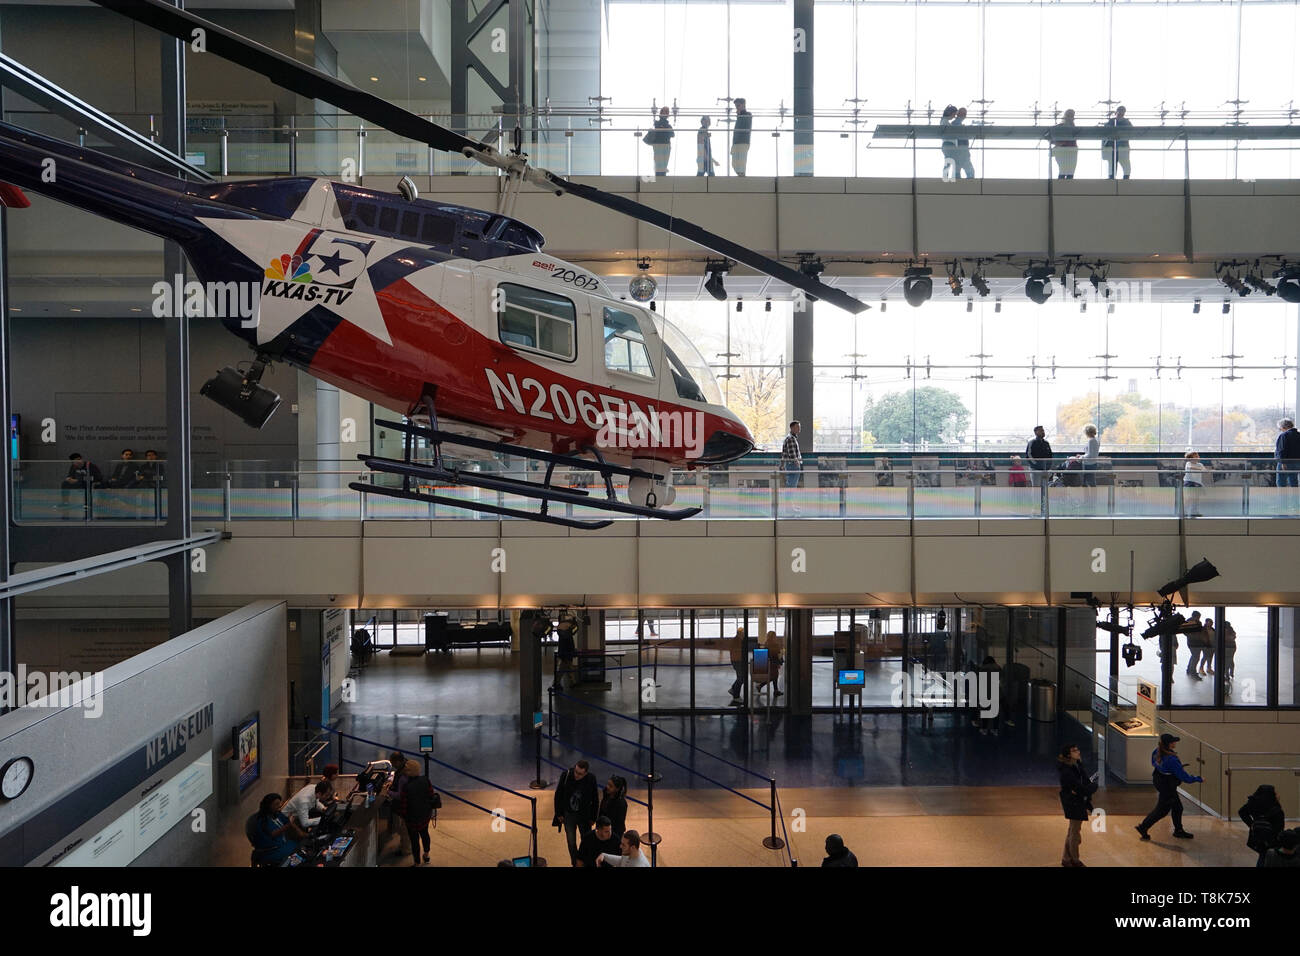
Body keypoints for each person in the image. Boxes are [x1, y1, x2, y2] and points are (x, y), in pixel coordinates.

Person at [1135, 733, 1203, 840]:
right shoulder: (1171, 759)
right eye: (1173, 741)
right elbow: (1185, 777)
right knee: (1161, 810)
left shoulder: (1157, 751)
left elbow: (1154, 763)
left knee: (1177, 807)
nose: (1175, 742)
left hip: (1159, 780)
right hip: (1167, 786)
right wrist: (1198, 779)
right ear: (1170, 744)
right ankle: (1143, 827)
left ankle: (1178, 830)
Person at [1057, 744, 1098, 867]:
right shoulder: (1067, 771)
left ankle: (1066, 858)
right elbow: (1081, 788)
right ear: (1069, 755)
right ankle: (1075, 859)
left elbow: (1085, 783)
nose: (1078, 752)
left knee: (1073, 830)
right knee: (1075, 832)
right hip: (1073, 802)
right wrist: (1090, 788)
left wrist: (1088, 788)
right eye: (1074, 751)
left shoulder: (1078, 765)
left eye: (1077, 749)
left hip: (1077, 800)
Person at [553, 759, 599, 866]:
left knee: (586, 841)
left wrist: (593, 817)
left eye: (580, 774)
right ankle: (575, 863)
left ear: (585, 773)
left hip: (584, 816)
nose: (576, 775)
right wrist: (559, 813)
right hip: (569, 815)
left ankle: (585, 862)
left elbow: (595, 799)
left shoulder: (591, 779)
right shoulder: (566, 775)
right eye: (576, 771)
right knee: (571, 842)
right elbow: (558, 795)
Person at [396, 764, 437, 866]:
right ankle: (426, 856)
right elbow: (431, 795)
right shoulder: (425, 780)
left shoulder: (406, 787)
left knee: (414, 841)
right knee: (425, 834)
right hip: (425, 815)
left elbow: (404, 805)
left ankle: (417, 862)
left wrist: (403, 816)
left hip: (412, 819)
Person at [248, 793, 304, 865]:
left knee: (301, 850)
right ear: (268, 806)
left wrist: (298, 830)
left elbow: (288, 821)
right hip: (271, 850)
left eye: (279, 803)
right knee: (296, 854)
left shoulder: (277, 814)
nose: (279, 806)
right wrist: (288, 825)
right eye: (276, 804)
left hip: (282, 845)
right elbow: (273, 834)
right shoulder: (262, 820)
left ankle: (296, 862)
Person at [1239, 783, 1286, 867]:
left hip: (1257, 836)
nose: (1277, 794)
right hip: (1272, 838)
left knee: (1262, 856)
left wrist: (1251, 824)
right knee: (1266, 857)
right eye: (1275, 793)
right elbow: (1279, 827)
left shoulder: (1253, 803)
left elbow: (1242, 812)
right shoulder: (1276, 809)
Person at [1102, 105, 1133, 179]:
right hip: (1113, 146)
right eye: (1120, 111)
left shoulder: (1126, 122)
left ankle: (1126, 176)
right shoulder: (1112, 121)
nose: (1120, 113)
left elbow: (1131, 131)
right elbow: (1105, 129)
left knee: (1125, 162)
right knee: (1112, 162)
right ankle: (1112, 176)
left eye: (1122, 111)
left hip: (1122, 145)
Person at [1050, 108, 1079, 179]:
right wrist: (1059, 143)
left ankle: (1066, 187)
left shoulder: (1074, 127)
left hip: (1071, 151)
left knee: (1070, 172)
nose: (1071, 117)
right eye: (1069, 115)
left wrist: (1059, 143)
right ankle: (1062, 186)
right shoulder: (1060, 126)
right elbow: (1050, 137)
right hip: (1064, 151)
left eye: (1072, 115)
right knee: (1063, 171)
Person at [645, 106, 674, 177]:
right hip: (659, 145)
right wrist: (665, 128)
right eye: (664, 112)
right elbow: (669, 133)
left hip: (666, 145)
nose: (665, 114)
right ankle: (659, 179)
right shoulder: (658, 123)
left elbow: (672, 134)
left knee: (664, 164)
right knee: (658, 165)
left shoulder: (667, 125)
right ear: (661, 113)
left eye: (666, 112)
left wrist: (664, 128)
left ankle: (662, 179)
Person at [598, 775, 629, 839]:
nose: (607, 787)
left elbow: (619, 824)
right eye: (608, 784)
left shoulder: (621, 803)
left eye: (611, 786)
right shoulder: (606, 796)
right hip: (603, 830)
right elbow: (601, 812)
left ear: (617, 789)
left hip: (613, 834)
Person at [1275, 418, 1300, 488]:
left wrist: (1282, 462)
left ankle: (1282, 498)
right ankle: (1295, 498)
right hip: (1297, 462)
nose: (1280, 430)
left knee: (1281, 482)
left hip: (1285, 462)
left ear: (1284, 427)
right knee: (1294, 481)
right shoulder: (1298, 435)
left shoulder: (1284, 435)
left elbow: (1281, 450)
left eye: (1280, 428)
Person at [731, 97, 752, 175]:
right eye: (736, 106)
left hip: (743, 142)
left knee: (741, 163)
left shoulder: (747, 114)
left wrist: (740, 114)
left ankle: (742, 178)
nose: (737, 108)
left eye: (738, 105)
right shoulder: (739, 116)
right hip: (736, 142)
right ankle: (740, 176)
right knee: (734, 163)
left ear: (743, 105)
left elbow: (746, 123)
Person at [726, 625, 747, 705]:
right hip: (737, 661)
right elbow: (733, 649)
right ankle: (736, 696)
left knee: (741, 677)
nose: (744, 634)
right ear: (739, 633)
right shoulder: (736, 640)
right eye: (743, 633)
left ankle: (733, 689)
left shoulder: (740, 640)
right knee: (741, 678)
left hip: (739, 660)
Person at [953, 106, 975, 179]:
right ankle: (968, 185)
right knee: (970, 172)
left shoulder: (956, 124)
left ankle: (958, 184)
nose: (965, 116)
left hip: (958, 150)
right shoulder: (956, 124)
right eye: (965, 114)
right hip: (962, 150)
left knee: (957, 170)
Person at [1182, 611, 1204, 679]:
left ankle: (1190, 669)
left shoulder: (1188, 621)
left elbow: (1184, 632)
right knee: (1196, 657)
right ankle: (1193, 672)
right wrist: (1194, 636)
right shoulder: (1194, 622)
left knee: (1194, 656)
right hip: (1194, 642)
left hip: (1193, 642)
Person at [938, 105, 958, 178]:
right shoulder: (945, 121)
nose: (954, 116)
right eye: (954, 114)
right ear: (950, 113)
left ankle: (946, 176)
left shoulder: (944, 121)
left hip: (947, 144)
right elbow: (948, 133)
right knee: (949, 161)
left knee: (949, 160)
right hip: (948, 144)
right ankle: (946, 176)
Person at [1183, 450, 1205, 516]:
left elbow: (1204, 470)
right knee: (1189, 498)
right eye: (1195, 456)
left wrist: (1204, 470)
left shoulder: (1200, 464)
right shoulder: (1188, 463)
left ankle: (1194, 512)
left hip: (1197, 483)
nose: (1197, 457)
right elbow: (1190, 467)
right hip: (1189, 482)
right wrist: (1200, 469)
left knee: (1196, 499)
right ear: (1190, 458)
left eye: (1197, 456)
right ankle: (1184, 512)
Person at [764, 629, 785, 698]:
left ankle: (776, 691)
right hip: (774, 662)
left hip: (769, 662)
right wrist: (780, 661)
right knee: (774, 676)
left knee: (774, 676)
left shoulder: (766, 643)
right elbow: (778, 654)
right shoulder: (775, 644)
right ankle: (760, 686)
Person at [781, 420, 802, 489]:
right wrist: (797, 463)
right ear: (792, 428)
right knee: (792, 485)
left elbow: (785, 454)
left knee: (790, 484)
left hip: (790, 464)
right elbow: (792, 454)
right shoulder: (791, 439)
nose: (799, 428)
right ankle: (789, 499)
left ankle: (788, 499)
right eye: (797, 427)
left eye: (799, 427)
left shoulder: (790, 438)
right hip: (793, 465)